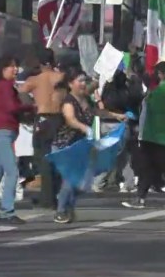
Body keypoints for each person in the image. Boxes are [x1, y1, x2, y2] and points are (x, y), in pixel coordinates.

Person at [53, 69, 127, 223]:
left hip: (81, 144)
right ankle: (60, 211)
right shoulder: (68, 101)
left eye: (83, 81)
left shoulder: (85, 99)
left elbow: (97, 112)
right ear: (70, 84)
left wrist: (116, 115)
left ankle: (69, 208)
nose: (82, 84)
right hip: (66, 145)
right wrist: (84, 127)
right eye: (79, 81)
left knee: (80, 181)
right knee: (70, 178)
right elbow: (70, 119)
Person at [123, 62, 165, 210]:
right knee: (153, 169)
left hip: (157, 136)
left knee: (162, 170)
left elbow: (148, 110)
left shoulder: (161, 91)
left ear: (162, 74)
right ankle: (141, 197)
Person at [0, 56, 35, 224]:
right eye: (12, 67)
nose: (16, 70)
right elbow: (12, 107)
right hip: (3, 131)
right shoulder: (6, 86)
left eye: (16, 66)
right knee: (12, 171)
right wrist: (31, 106)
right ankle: (8, 211)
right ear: (2, 69)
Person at [18, 48, 64, 209]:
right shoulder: (61, 77)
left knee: (42, 158)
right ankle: (55, 195)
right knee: (58, 156)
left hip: (43, 118)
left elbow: (20, 93)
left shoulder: (35, 80)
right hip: (60, 119)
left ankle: (47, 199)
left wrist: (31, 107)